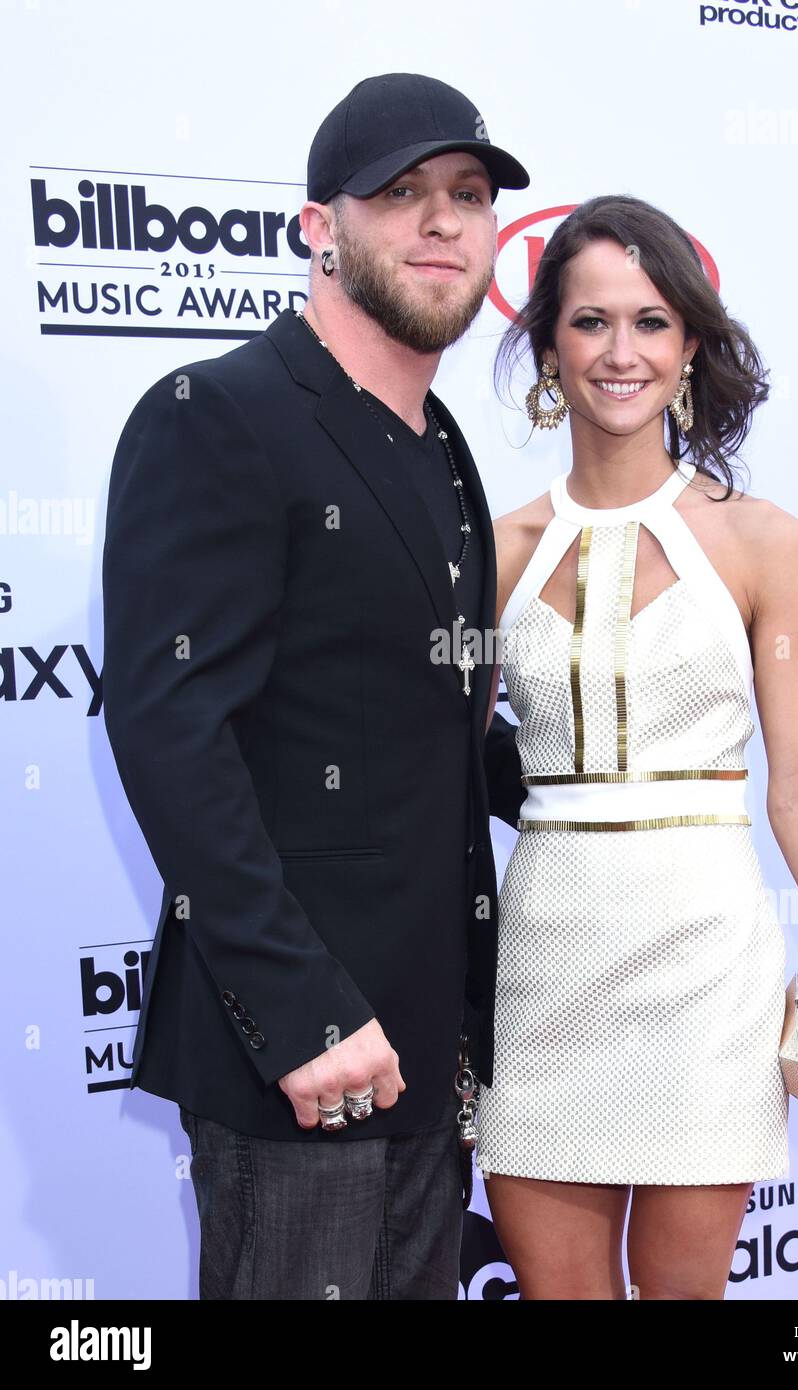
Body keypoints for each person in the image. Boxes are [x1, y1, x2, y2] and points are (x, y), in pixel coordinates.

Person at [101, 72, 528, 1301]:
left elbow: (423, 728)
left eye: (466, 195)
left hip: (424, 1044)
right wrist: (300, 1014)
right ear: (316, 228)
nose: (442, 221)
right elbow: (172, 727)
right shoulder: (221, 414)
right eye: (400, 195)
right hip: (299, 1054)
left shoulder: (443, 449)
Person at [473, 195, 798, 1300]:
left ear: (689, 344)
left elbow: (793, 783)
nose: (621, 353)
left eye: (651, 322)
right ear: (547, 343)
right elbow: (435, 772)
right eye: (590, 321)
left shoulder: (760, 541)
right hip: (542, 969)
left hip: (706, 970)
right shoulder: (493, 547)